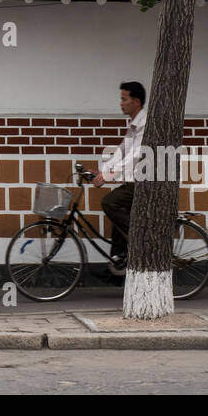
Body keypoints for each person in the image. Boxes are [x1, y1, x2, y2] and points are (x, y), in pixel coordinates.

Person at [92, 81, 147, 273]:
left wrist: (109, 175)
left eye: (124, 99)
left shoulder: (144, 123)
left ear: (136, 101)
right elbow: (122, 151)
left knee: (110, 202)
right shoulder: (134, 124)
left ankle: (141, 242)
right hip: (136, 180)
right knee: (118, 212)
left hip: (146, 182)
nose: (121, 103)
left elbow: (135, 156)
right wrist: (103, 171)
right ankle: (119, 259)